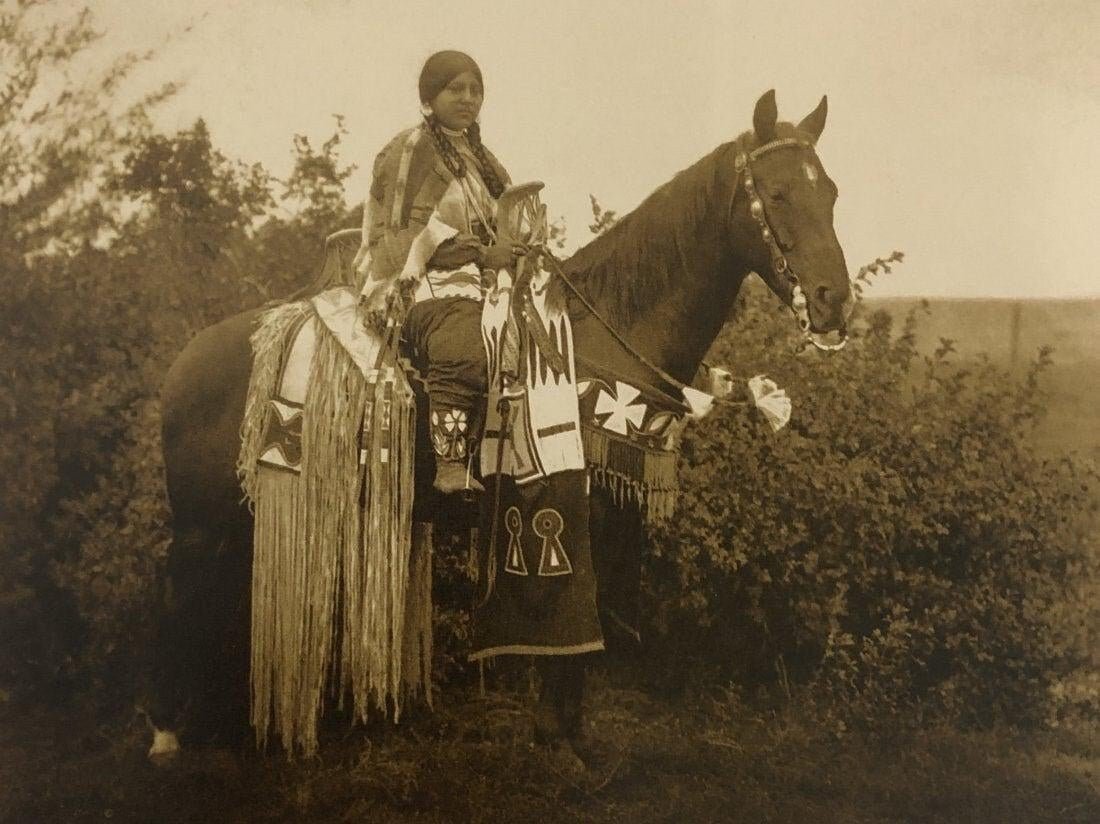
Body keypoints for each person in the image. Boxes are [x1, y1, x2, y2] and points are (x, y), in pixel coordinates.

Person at [353, 50, 526, 494]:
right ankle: (450, 462)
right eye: (456, 89)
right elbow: (397, 232)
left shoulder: (484, 161)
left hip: (483, 285)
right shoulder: (411, 149)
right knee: (465, 342)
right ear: (429, 99)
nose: (468, 98)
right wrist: (478, 253)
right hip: (413, 286)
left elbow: (509, 222)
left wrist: (516, 250)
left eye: (476, 89)